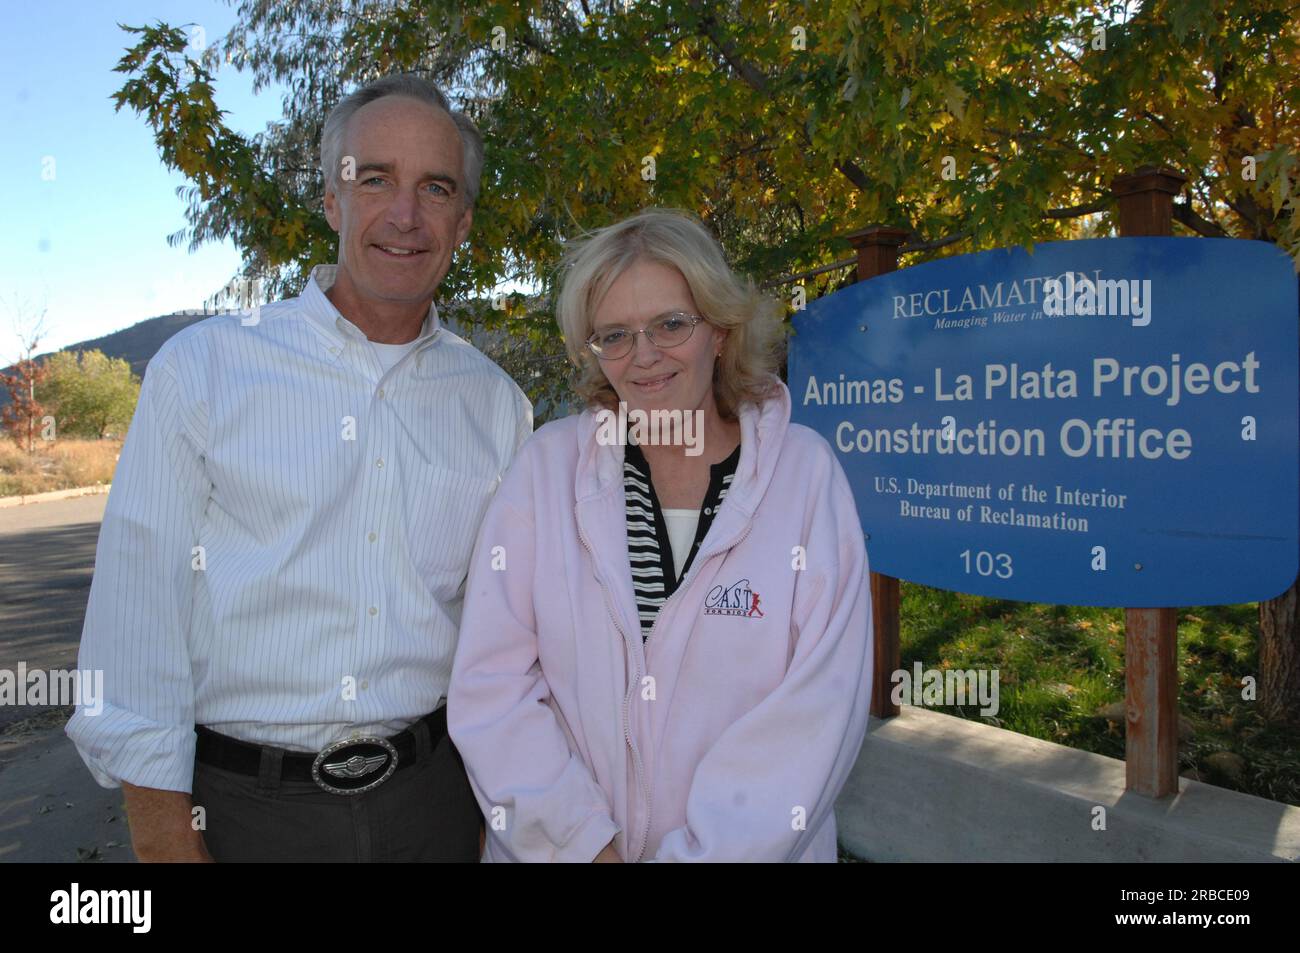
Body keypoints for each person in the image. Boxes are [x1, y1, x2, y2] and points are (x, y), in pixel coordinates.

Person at [65, 74, 532, 862]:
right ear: (330, 200)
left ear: (463, 222)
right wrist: (166, 841)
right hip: (245, 816)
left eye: (436, 188)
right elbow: (134, 629)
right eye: (374, 178)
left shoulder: (498, 408)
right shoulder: (204, 369)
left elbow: (511, 641)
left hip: (440, 806)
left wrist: (496, 821)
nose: (405, 214)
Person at [448, 208, 872, 862]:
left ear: (721, 332)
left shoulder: (805, 477)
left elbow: (817, 714)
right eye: (614, 334)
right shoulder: (547, 469)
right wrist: (583, 847)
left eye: (671, 324)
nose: (644, 356)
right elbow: (492, 686)